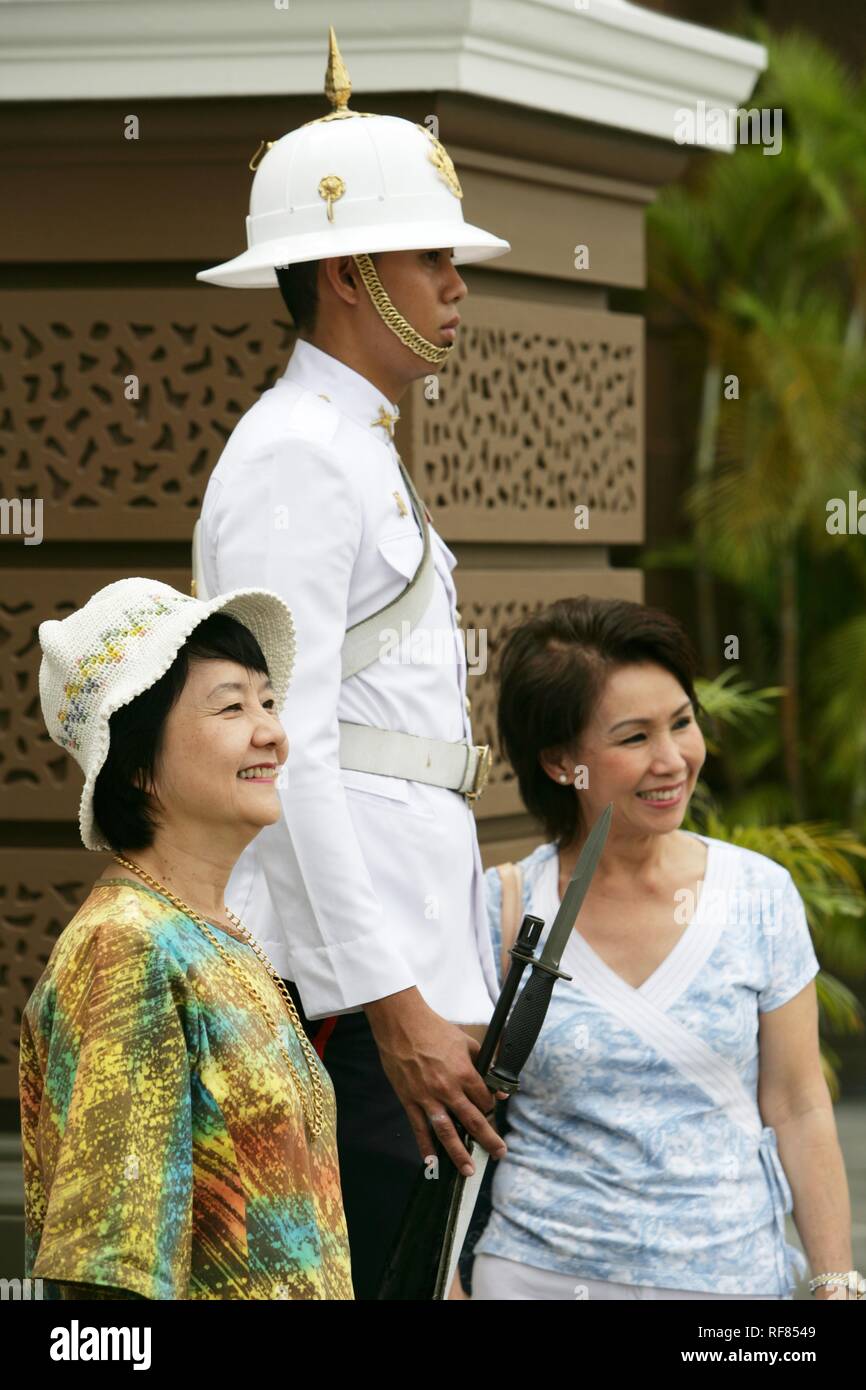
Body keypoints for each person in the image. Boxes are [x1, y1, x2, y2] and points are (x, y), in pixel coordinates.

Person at [192, 29, 511, 1297]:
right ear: (343, 274)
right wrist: (391, 999)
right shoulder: (292, 457)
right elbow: (288, 749)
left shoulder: (349, 444)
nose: (455, 283)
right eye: (432, 255)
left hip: (405, 957)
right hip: (356, 988)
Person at [462, 595, 863, 1301]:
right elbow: (451, 1118)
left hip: (731, 1288)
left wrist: (836, 1280)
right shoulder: (505, 911)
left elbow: (799, 1103)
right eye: (633, 737)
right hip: (540, 1277)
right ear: (562, 763)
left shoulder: (757, 896)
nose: (673, 759)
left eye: (681, 723)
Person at [20, 577, 353, 1300]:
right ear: (136, 764)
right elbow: (109, 1281)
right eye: (231, 706)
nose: (271, 731)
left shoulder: (215, 934)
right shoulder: (128, 946)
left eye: (268, 702)